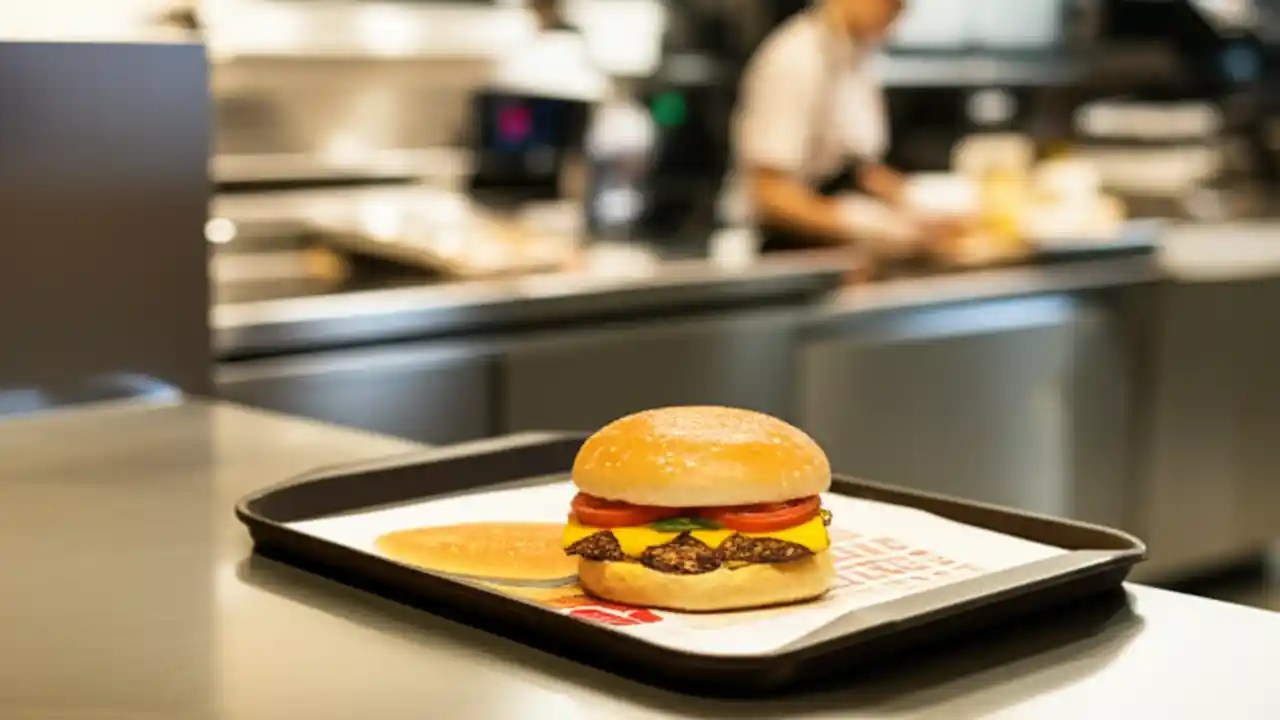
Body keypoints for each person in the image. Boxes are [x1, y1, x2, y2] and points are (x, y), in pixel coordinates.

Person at [733, 0, 955, 259]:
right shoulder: (793, 58)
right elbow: (769, 195)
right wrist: (854, 224)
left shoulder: (858, 59)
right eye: (890, 5)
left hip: (835, 256)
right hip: (776, 255)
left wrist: (916, 205)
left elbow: (858, 168)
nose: (895, 21)